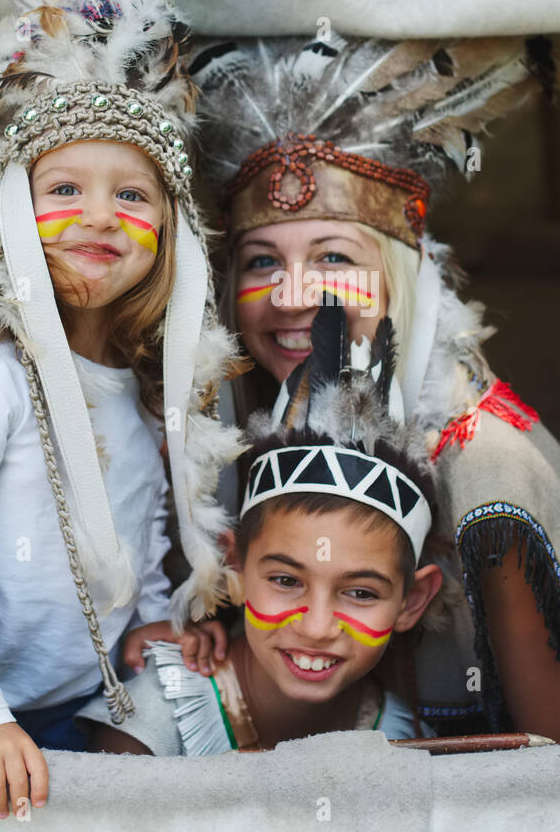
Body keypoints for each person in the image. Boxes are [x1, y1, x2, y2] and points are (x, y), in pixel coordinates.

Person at [0, 0, 243, 816]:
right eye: (65, 189)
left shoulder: (139, 382)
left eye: (133, 196)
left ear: (173, 235)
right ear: (11, 213)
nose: (98, 216)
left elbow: (142, 524)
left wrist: (163, 614)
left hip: (89, 700)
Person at [188, 35, 560, 742]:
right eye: (261, 261)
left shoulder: (484, 464)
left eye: (332, 257)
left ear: (401, 277)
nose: (293, 296)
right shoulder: (243, 425)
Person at [86, 307, 442, 755]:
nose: (315, 628)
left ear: (411, 601)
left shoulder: (404, 740)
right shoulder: (152, 725)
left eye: (361, 593)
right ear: (233, 565)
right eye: (286, 580)